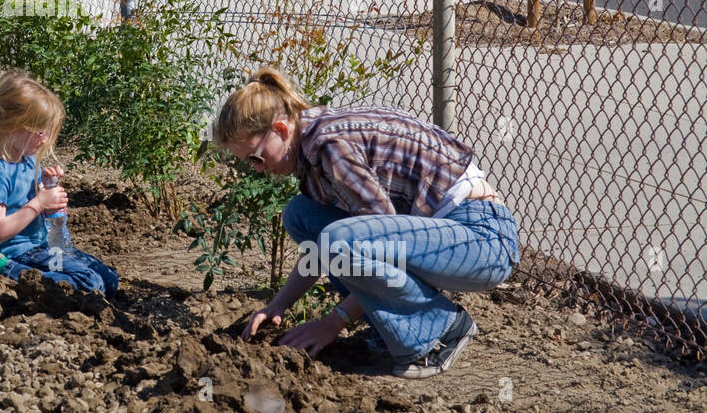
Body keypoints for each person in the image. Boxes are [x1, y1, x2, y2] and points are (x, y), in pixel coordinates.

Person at [214, 68, 519, 378]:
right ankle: (391, 329)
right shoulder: (312, 151)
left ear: (280, 129)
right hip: (446, 238)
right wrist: (278, 305)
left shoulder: (330, 146)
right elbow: (326, 252)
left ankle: (440, 333)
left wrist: (334, 322)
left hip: (482, 238)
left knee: (338, 239)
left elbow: (381, 247)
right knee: (302, 216)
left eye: (256, 158)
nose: (257, 170)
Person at [0, 70, 119, 295]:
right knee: (89, 283)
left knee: (108, 278)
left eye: (47, 131)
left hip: (41, 247)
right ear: (11, 124)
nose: (44, 139)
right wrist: (39, 203)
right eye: (38, 131)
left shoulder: (28, 161)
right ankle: (3, 271)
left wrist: (47, 187)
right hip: (15, 253)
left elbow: (41, 211)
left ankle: (37, 277)